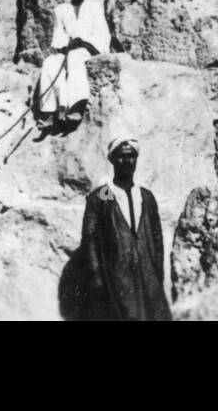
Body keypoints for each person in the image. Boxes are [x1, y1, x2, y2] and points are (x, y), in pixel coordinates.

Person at [72, 137, 172, 321]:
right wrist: (97, 277)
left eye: (132, 156)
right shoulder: (104, 194)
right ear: (112, 160)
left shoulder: (146, 196)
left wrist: (157, 273)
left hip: (147, 276)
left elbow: (157, 240)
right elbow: (90, 239)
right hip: (116, 276)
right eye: (121, 156)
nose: (127, 161)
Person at [36, 0, 111, 135]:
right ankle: (50, 111)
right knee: (49, 62)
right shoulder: (60, 10)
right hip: (68, 48)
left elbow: (102, 33)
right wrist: (63, 46)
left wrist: (85, 43)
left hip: (90, 49)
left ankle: (76, 106)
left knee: (76, 57)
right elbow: (58, 33)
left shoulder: (94, 7)